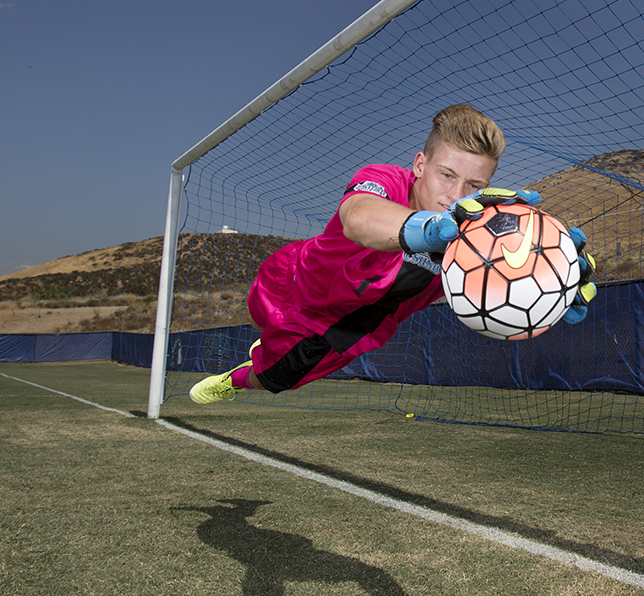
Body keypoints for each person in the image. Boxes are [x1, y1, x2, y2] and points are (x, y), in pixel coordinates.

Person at [189, 104, 596, 404]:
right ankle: (262, 348)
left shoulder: (476, 236)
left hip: (332, 331)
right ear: (421, 164)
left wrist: (549, 286)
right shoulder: (384, 179)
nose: (456, 196)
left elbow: (489, 287)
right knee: (260, 316)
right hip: (288, 278)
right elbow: (358, 217)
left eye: (474, 184)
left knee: (276, 380)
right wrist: (427, 231)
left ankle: (235, 379)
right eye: (447, 175)